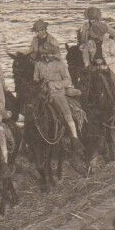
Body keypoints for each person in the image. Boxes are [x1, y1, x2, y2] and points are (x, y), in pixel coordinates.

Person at [28, 19, 82, 147]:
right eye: (37, 31)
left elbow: (67, 79)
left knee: (65, 110)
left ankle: (74, 137)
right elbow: (35, 78)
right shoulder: (38, 61)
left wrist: (55, 84)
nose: (39, 33)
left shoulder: (56, 54)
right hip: (42, 90)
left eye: (41, 30)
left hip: (56, 91)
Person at [78, 14, 115, 111]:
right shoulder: (90, 43)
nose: (100, 37)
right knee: (84, 83)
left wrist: (105, 61)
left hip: (109, 67)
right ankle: (84, 105)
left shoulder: (110, 42)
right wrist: (87, 64)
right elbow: (85, 55)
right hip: (94, 67)